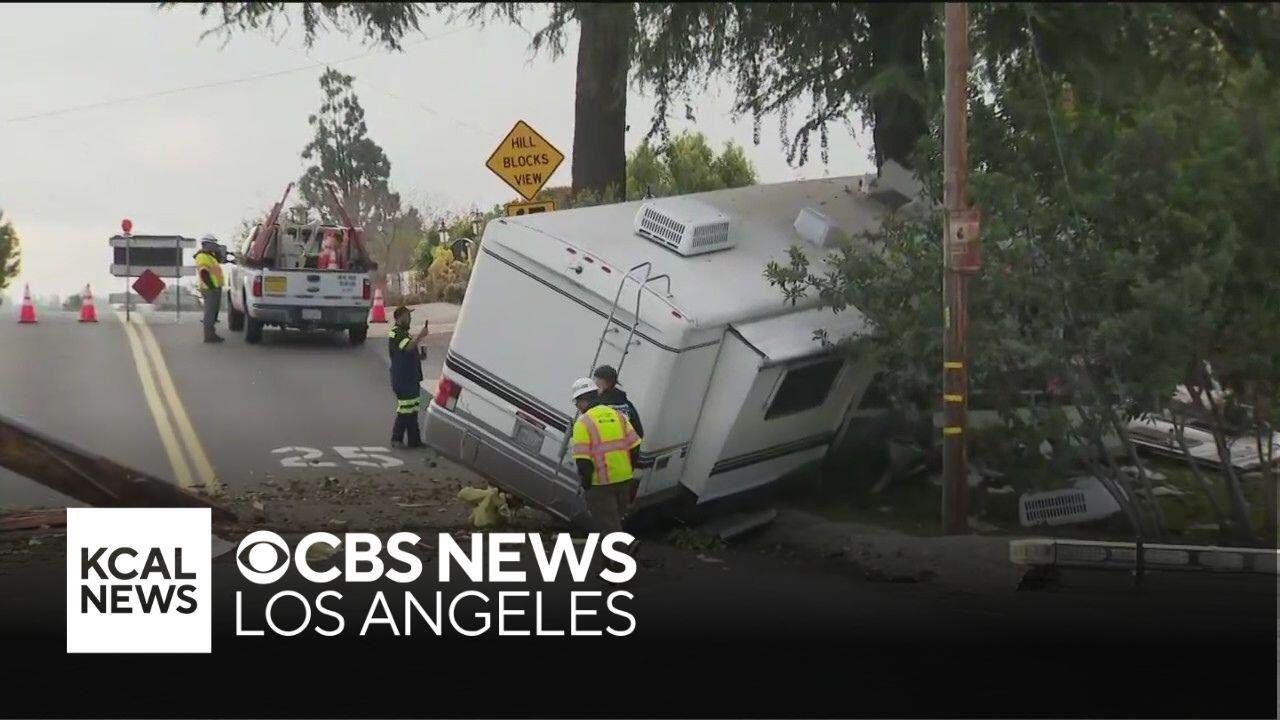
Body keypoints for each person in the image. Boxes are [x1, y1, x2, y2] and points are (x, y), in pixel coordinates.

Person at [570, 378, 642, 533]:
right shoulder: (618, 416)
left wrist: (586, 484)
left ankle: (626, 550)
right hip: (624, 481)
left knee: (609, 528)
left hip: (601, 485)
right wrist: (627, 468)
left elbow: (583, 461)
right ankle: (607, 557)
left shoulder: (583, 423)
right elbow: (635, 446)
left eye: (577, 402)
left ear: (583, 400)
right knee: (613, 523)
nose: (577, 407)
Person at [388, 305, 430, 448]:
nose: (410, 318)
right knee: (405, 409)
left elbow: (410, 352)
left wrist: (421, 355)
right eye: (408, 315)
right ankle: (396, 438)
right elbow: (407, 348)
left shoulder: (405, 334)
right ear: (400, 317)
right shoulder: (395, 333)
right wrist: (421, 336)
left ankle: (414, 440)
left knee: (412, 409)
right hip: (402, 379)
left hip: (412, 378)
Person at [593, 365, 644, 438]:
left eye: (597, 379)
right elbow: (639, 432)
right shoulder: (626, 403)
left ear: (605, 381)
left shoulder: (602, 405)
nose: (595, 382)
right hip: (631, 445)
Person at [193, 235, 225, 343]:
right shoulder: (202, 256)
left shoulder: (210, 256)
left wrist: (219, 252)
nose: (215, 246)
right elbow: (204, 272)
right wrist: (211, 286)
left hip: (214, 287)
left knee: (213, 312)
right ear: (206, 244)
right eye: (213, 244)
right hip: (209, 288)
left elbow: (220, 261)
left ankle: (212, 334)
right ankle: (209, 335)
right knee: (209, 313)